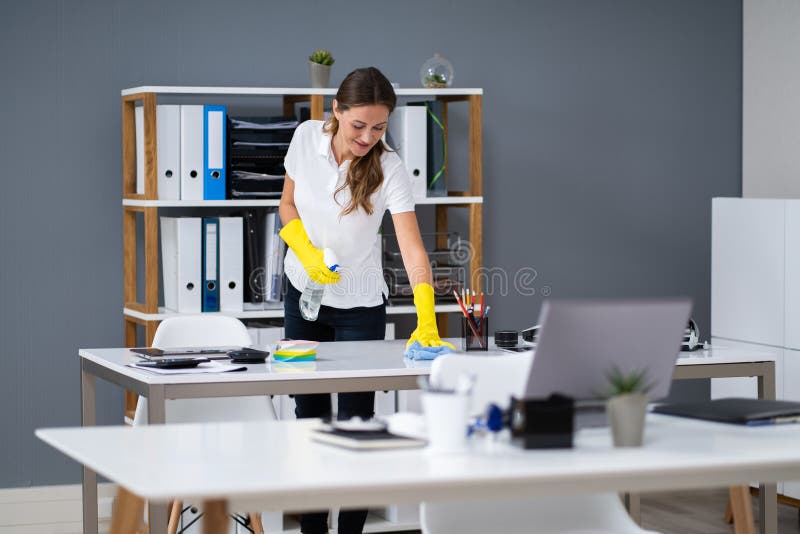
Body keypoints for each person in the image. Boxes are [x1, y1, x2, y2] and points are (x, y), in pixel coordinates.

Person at [278, 66, 454, 534]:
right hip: (303, 295)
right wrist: (307, 252)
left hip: (359, 306)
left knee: (358, 425)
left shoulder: (389, 166)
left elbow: (413, 248)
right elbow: (287, 205)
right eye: (359, 125)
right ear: (336, 111)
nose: (368, 137)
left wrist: (426, 317)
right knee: (309, 419)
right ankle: (314, 530)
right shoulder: (304, 138)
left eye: (379, 128)